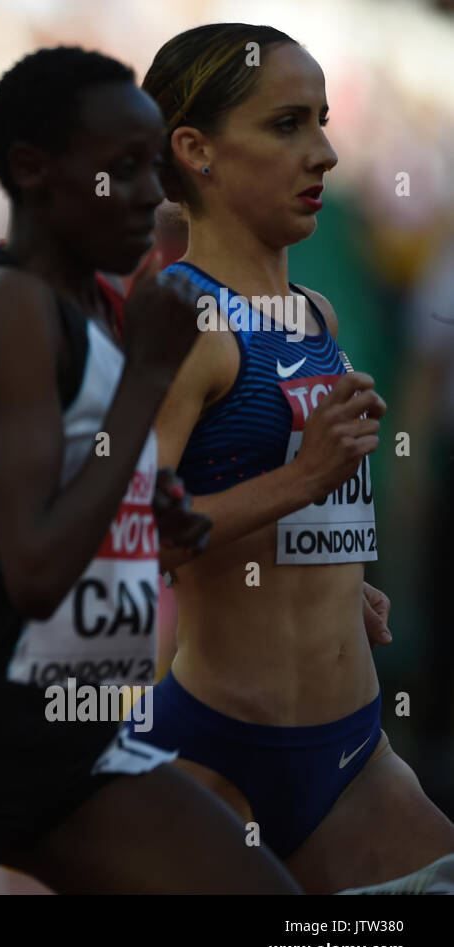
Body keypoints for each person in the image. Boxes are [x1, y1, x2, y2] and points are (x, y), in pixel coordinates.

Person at [0, 47, 299, 894]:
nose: (153, 194)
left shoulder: (84, 299)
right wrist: (145, 380)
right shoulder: (11, 303)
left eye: (156, 166)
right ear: (34, 171)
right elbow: (34, 574)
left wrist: (137, 504)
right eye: (123, 170)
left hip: (74, 734)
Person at [133, 23, 454, 892]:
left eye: (321, 120)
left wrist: (342, 576)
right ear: (196, 151)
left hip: (352, 751)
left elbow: (275, 515)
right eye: (286, 126)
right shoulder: (180, 320)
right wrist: (303, 478)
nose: (326, 154)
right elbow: (124, 538)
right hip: (216, 758)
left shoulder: (318, 315)